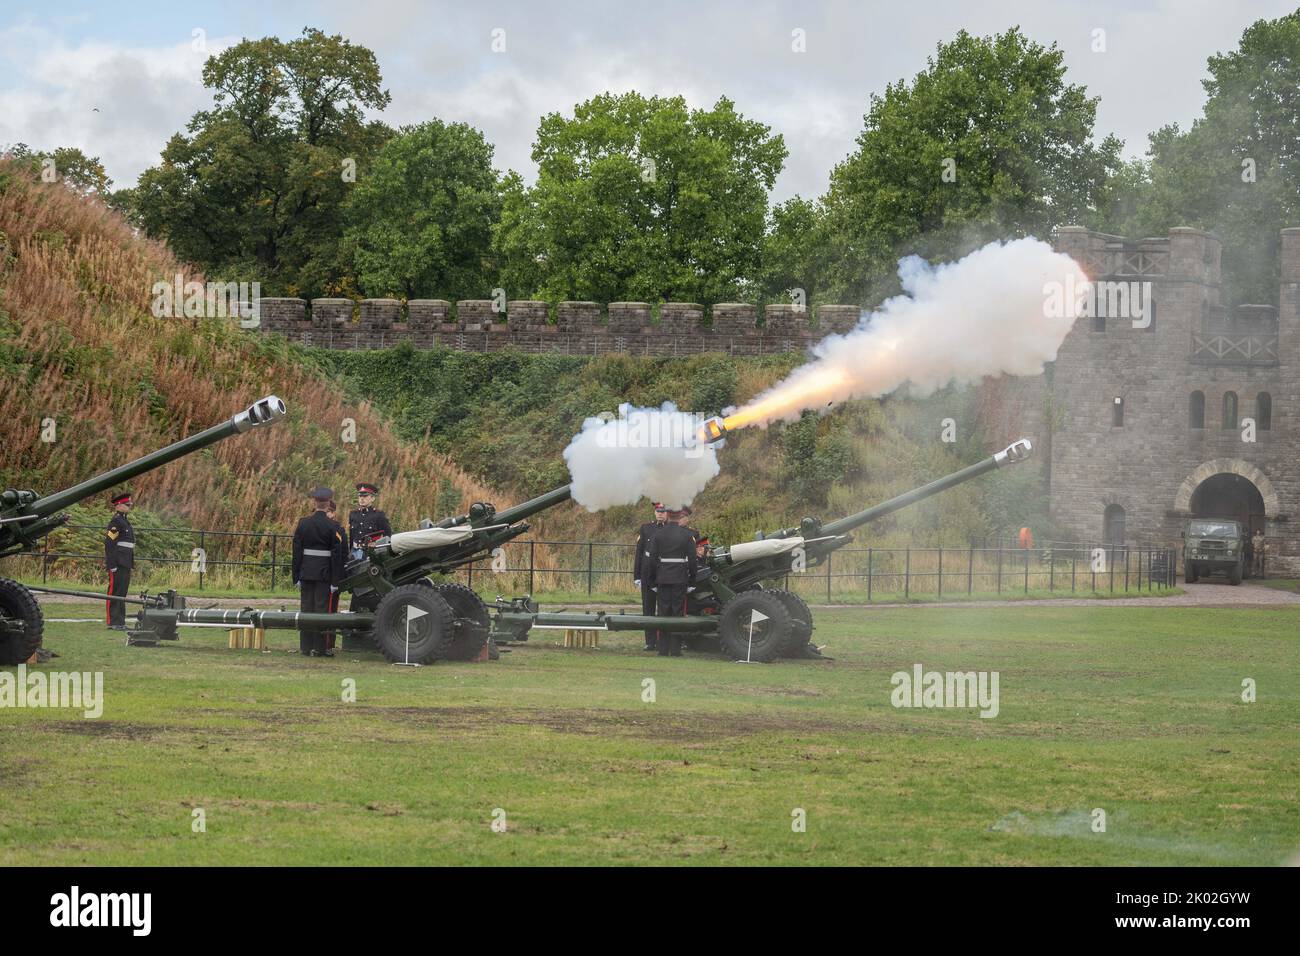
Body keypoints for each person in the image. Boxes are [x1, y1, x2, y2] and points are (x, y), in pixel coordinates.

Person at [293, 486, 346, 658]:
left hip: (306, 572)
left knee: (306, 609)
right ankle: (320, 648)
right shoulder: (334, 527)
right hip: (324, 574)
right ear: (328, 503)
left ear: (314, 503)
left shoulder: (303, 523)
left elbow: (297, 551)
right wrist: (335, 580)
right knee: (321, 610)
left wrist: (296, 575)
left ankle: (305, 647)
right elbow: (337, 556)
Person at [645, 507, 699, 657]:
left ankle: (663, 649)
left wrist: (652, 582)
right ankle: (675, 650)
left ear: (667, 515)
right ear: (680, 516)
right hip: (680, 579)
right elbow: (693, 561)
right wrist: (692, 581)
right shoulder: (687, 535)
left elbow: (651, 561)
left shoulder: (658, 535)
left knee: (663, 613)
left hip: (662, 579)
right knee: (677, 613)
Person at [634, 503, 667, 651]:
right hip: (647, 575)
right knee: (648, 608)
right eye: (658, 511)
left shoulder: (671, 529)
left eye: (663, 511)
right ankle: (650, 641)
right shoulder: (646, 528)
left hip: (663, 574)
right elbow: (639, 553)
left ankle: (662, 640)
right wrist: (637, 576)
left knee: (663, 609)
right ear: (655, 512)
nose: (660, 513)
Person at [104, 491, 135, 631]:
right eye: (127, 504)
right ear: (118, 506)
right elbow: (110, 544)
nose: (130, 506)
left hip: (125, 562)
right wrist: (112, 565)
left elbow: (129, 545)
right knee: (114, 592)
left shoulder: (125, 521)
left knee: (122, 593)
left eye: (129, 504)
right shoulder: (116, 521)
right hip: (117, 562)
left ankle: (120, 621)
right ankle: (112, 621)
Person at [321, 500, 347, 655]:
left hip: (331, 575)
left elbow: (341, 555)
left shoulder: (338, 529)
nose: (327, 514)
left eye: (329, 512)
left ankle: (327, 643)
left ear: (333, 513)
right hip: (320, 574)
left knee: (330, 610)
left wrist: (336, 579)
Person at [348, 483, 392, 560]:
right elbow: (352, 537)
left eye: (365, 496)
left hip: (370, 554)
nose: (362, 498)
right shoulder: (353, 514)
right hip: (354, 553)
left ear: (372, 498)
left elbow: (387, 536)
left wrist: (376, 544)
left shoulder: (378, 515)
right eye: (360, 496)